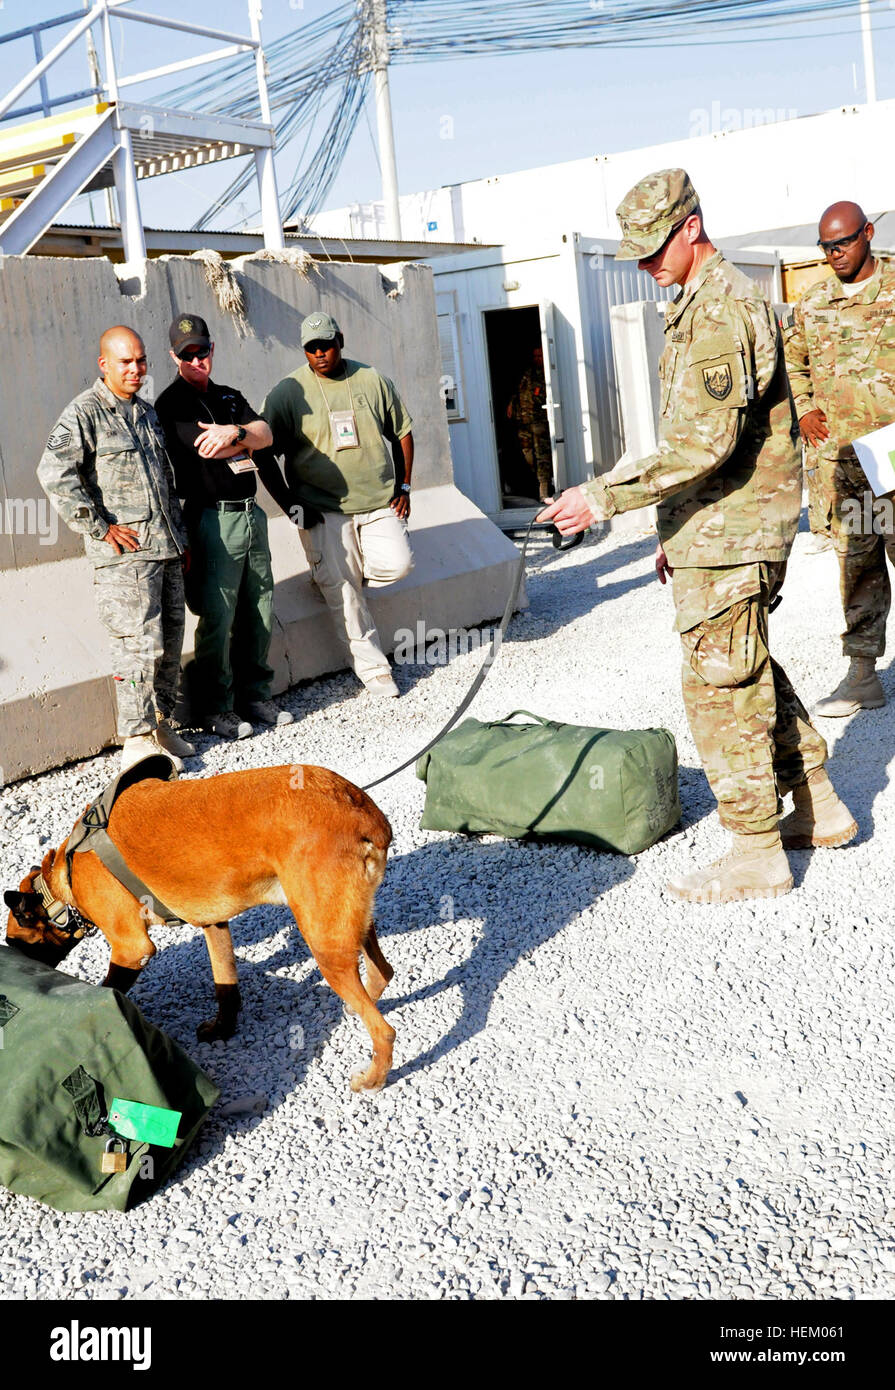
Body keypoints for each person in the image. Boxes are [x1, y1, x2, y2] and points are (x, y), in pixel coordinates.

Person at [538, 168, 856, 904]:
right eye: (636, 255)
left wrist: (599, 498)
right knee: (745, 665)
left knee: (719, 689)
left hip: (735, 531)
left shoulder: (718, 312)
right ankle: (819, 804)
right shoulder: (696, 304)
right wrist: (675, 528)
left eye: (653, 250)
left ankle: (754, 852)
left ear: (691, 227)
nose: (645, 266)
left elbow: (699, 448)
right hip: (715, 528)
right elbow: (709, 451)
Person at [38, 326, 193, 771]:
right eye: (125, 362)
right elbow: (54, 473)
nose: (136, 369)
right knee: (136, 646)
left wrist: (179, 539)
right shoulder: (83, 413)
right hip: (125, 559)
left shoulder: (145, 412)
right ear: (104, 364)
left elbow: (164, 482)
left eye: (141, 361)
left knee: (167, 645)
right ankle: (137, 737)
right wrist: (100, 528)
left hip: (164, 549)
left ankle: (161, 724)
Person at [155, 313, 295, 739]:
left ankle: (255, 694)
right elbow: (207, 451)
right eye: (187, 355)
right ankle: (217, 706)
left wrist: (236, 431)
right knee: (218, 614)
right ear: (174, 357)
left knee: (260, 607)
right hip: (211, 519)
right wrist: (242, 437)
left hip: (251, 513)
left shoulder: (230, 396)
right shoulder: (170, 405)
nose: (197, 360)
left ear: (212, 349)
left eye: (202, 351)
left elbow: (267, 434)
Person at [261, 311, 414, 698]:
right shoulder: (288, 392)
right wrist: (290, 506)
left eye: (325, 345)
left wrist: (405, 485)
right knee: (344, 593)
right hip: (322, 508)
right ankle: (375, 671)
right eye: (311, 348)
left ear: (339, 340)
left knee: (398, 564)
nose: (319, 354)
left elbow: (402, 431)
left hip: (378, 500)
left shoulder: (371, 379)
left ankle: (332, 575)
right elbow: (262, 454)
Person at [783, 202, 895, 716]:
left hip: (892, 459)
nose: (835, 255)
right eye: (826, 247)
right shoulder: (812, 302)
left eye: (843, 243)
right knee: (859, 566)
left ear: (868, 233)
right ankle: (863, 676)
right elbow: (792, 361)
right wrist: (804, 407)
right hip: (847, 464)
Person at [507, 346, 554, 500]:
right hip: (524, 423)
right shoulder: (528, 373)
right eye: (535, 356)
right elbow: (519, 393)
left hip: (539, 423)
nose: (537, 359)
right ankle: (539, 485)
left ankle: (544, 492)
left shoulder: (548, 375)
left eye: (540, 356)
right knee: (528, 457)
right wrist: (511, 406)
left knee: (542, 457)